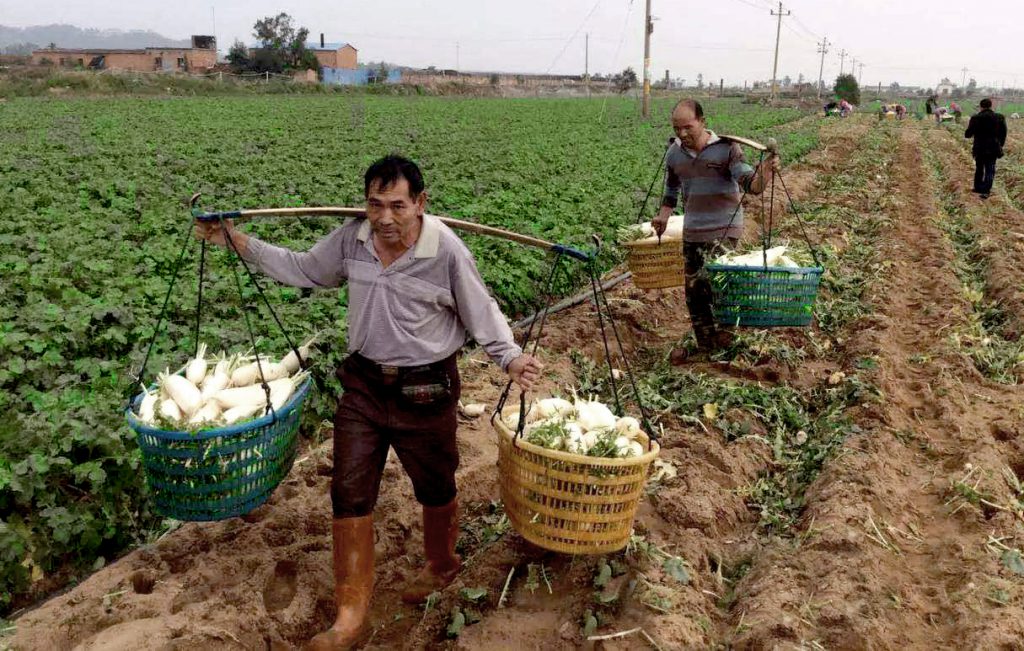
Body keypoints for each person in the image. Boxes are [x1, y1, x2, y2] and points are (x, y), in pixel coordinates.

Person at [195, 155, 543, 650]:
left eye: (397, 206)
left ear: (420, 203)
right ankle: (351, 614)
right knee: (349, 489)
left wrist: (510, 359)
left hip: (426, 388)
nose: (384, 218)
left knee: (435, 482)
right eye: (375, 204)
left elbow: (481, 311)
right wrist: (239, 241)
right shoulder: (350, 239)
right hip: (363, 385)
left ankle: (442, 564)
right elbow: (302, 270)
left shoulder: (446, 250)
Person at [651, 99, 779, 362]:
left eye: (688, 127)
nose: (683, 134)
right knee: (693, 292)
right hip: (693, 230)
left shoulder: (726, 149)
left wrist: (765, 171)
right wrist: (663, 215)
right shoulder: (674, 154)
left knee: (717, 287)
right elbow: (671, 189)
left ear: (702, 122)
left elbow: (749, 183)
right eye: (677, 128)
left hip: (724, 228)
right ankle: (706, 346)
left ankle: (726, 341)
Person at [964, 98, 1008, 199]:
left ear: (981, 106)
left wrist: (970, 132)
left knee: (979, 168)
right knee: (990, 169)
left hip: (979, 147)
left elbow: (968, 134)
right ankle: (986, 191)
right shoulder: (1000, 117)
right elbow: (1004, 133)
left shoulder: (976, 118)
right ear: (991, 106)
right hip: (993, 147)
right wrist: (1000, 145)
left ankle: (978, 187)